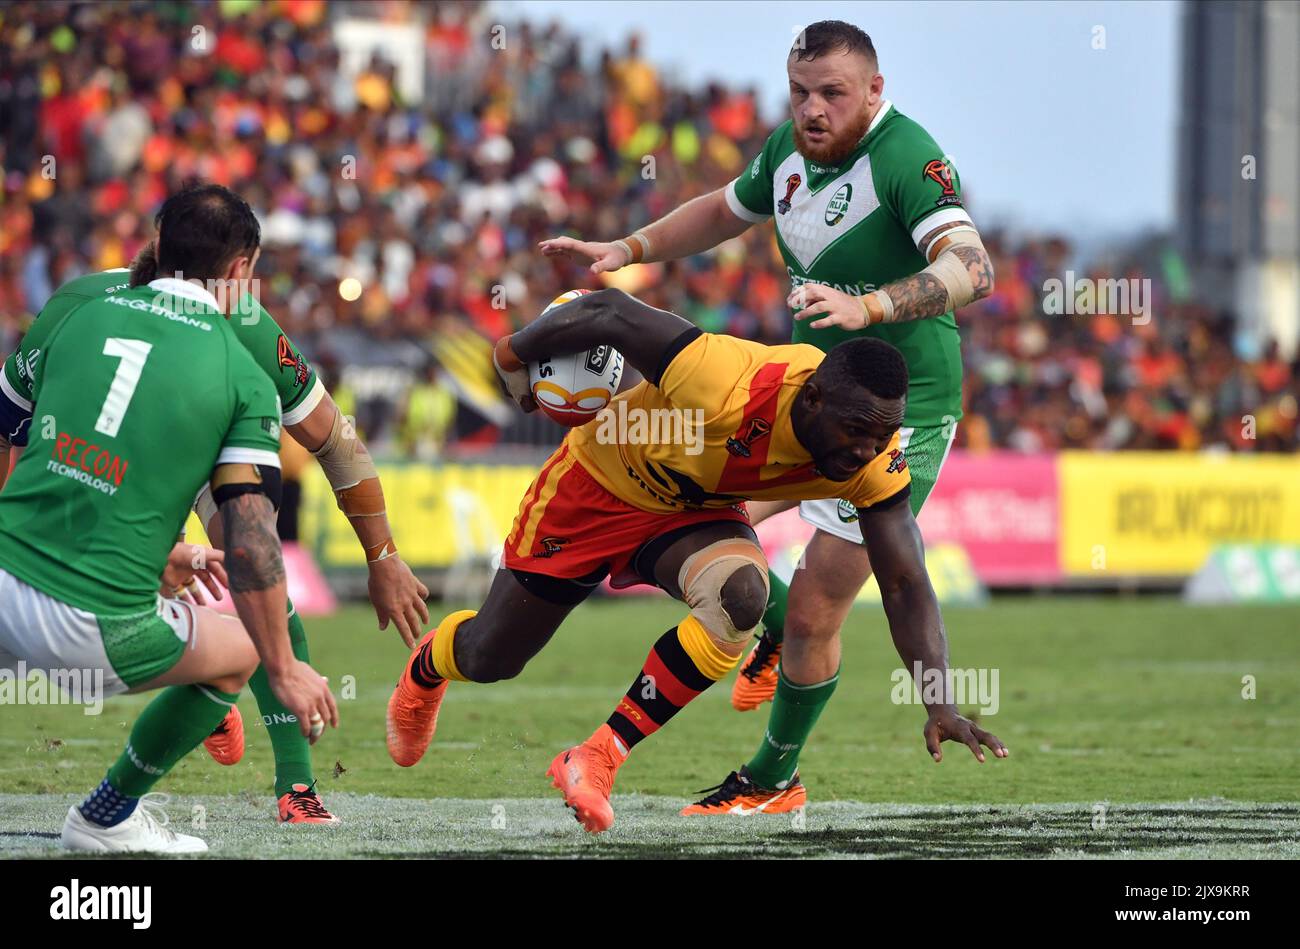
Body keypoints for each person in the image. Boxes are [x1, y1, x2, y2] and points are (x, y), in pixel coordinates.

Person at [538, 20, 995, 812]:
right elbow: (724, 210)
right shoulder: (789, 149)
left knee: (818, 605)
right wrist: (631, 247)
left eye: (832, 93)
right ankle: (772, 637)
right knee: (703, 522)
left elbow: (974, 267)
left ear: (875, 91)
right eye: (800, 91)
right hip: (805, 397)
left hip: (894, 419)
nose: (812, 109)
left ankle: (772, 779)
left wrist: (870, 306)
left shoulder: (906, 158)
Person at [386, 287, 1005, 833]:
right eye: (857, 431)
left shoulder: (873, 462)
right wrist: (510, 353)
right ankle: (428, 667)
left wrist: (940, 701)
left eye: (882, 436)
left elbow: (904, 582)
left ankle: (597, 756)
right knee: (491, 658)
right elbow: (609, 309)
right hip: (595, 486)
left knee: (742, 596)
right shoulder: (722, 378)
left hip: (689, 514)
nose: (866, 450)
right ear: (812, 399)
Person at [0, 191, 429, 824]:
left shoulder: (79, 305)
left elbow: (13, 431)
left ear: (158, 241)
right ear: (239, 268)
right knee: (258, 593)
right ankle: (192, 704)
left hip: (114, 479)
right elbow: (328, 454)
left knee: (254, 581)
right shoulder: (238, 343)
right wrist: (382, 557)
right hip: (114, 528)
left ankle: (292, 781)